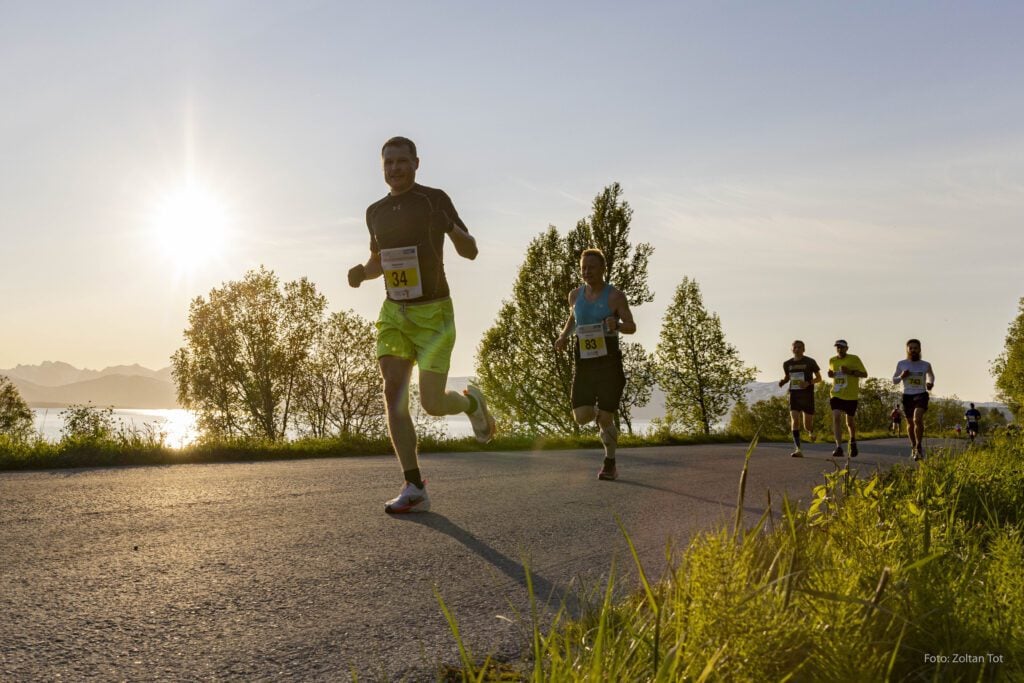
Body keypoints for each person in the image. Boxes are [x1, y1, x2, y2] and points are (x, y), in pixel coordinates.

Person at [348, 136, 495, 513]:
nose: (394, 168)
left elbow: (471, 250)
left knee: (430, 404)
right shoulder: (375, 211)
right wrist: (362, 274)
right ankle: (413, 485)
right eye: (388, 163)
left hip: (434, 315)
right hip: (395, 313)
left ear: (416, 162)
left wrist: (450, 226)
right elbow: (378, 260)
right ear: (382, 168)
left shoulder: (434, 199)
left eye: (401, 161)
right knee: (393, 389)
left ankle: (469, 402)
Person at [554, 248, 636, 480]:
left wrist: (617, 325)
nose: (587, 271)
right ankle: (601, 413)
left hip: (608, 360)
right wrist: (563, 336)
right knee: (581, 416)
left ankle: (609, 462)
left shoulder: (615, 296)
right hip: (584, 360)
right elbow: (573, 319)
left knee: (606, 419)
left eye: (591, 267)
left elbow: (631, 326)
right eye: (583, 268)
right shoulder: (574, 295)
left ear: (602, 269)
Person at [892, 338, 935, 461]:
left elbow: (931, 375)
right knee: (910, 423)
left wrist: (930, 383)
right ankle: (913, 446)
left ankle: (919, 445)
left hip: (921, 394)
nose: (913, 350)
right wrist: (902, 376)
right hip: (907, 396)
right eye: (911, 348)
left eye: (915, 348)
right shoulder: (902, 363)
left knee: (917, 418)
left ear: (920, 349)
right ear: (907, 350)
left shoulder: (925, 364)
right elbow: (894, 380)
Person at [778, 340, 822, 457]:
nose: (797, 349)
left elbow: (819, 378)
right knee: (795, 420)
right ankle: (798, 449)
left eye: (799, 347)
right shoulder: (787, 364)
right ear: (792, 349)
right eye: (795, 347)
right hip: (794, 395)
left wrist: (808, 383)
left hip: (807, 395)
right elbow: (788, 377)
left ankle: (810, 431)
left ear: (804, 349)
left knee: (807, 424)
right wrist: (783, 381)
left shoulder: (810, 361)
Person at [827, 339, 868, 458]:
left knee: (849, 422)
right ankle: (838, 447)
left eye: (842, 347)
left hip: (851, 395)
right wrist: (830, 375)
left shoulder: (854, 359)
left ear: (847, 348)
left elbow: (864, 374)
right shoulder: (832, 360)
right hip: (836, 394)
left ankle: (853, 440)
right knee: (836, 417)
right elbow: (833, 374)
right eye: (837, 347)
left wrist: (849, 371)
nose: (839, 349)